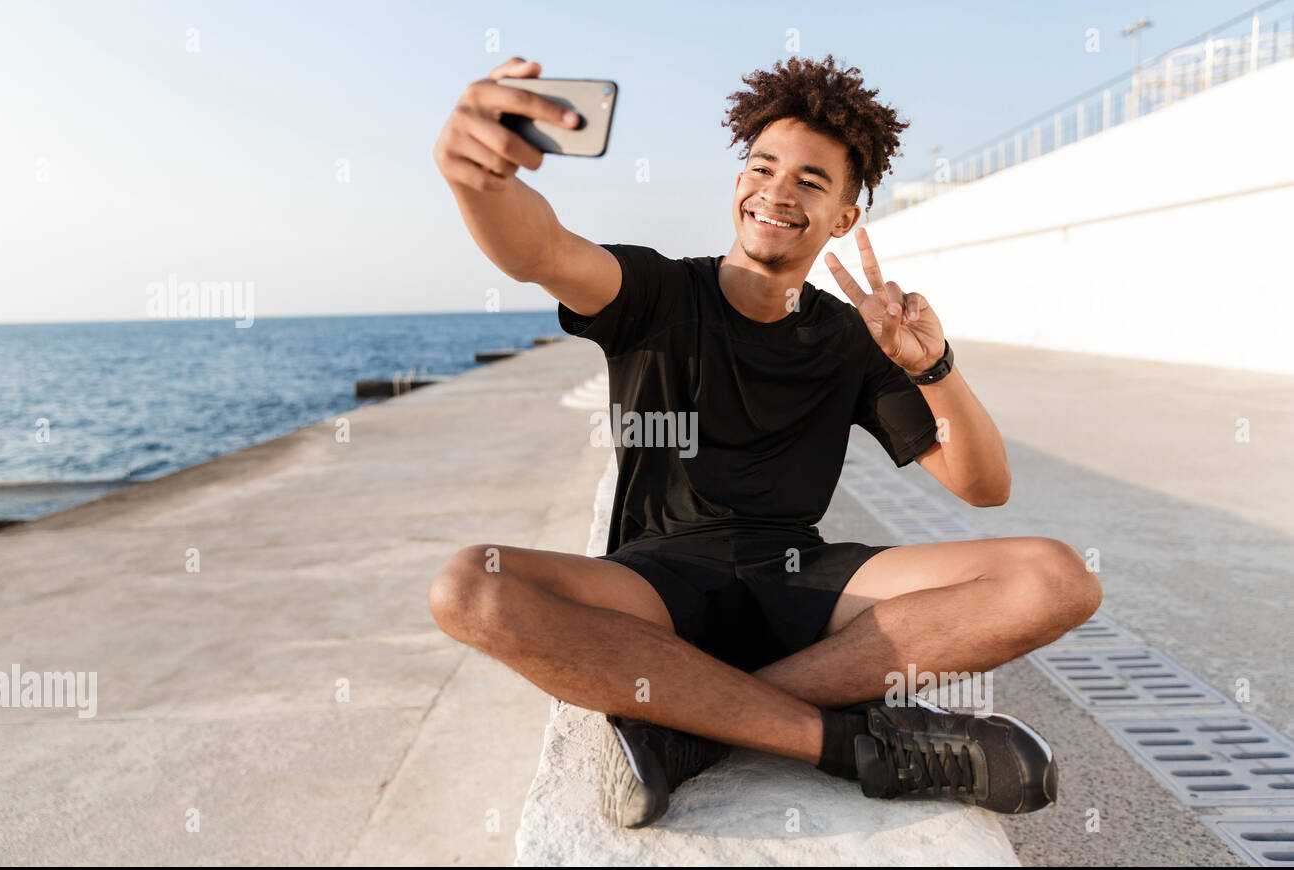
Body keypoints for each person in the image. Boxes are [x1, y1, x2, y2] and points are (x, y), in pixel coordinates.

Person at [429, 53, 1102, 829]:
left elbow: (984, 484)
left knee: (1058, 579)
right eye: (763, 166)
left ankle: (698, 725)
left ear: (845, 217)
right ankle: (845, 745)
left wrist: (933, 366)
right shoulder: (654, 292)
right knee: (467, 586)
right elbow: (538, 250)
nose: (777, 191)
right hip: (656, 583)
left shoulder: (852, 339)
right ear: (739, 182)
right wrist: (479, 180)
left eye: (811, 182)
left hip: (804, 581)